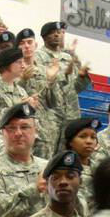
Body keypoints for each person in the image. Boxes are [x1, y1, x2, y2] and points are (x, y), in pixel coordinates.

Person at [35, 21, 91, 161]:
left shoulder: (67, 58)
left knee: (67, 157)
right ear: (44, 36)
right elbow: (42, 84)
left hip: (70, 114)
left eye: (59, 32)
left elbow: (75, 88)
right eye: (53, 32)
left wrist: (83, 77)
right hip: (49, 114)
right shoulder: (38, 57)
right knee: (47, 155)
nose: (57, 35)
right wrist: (64, 75)